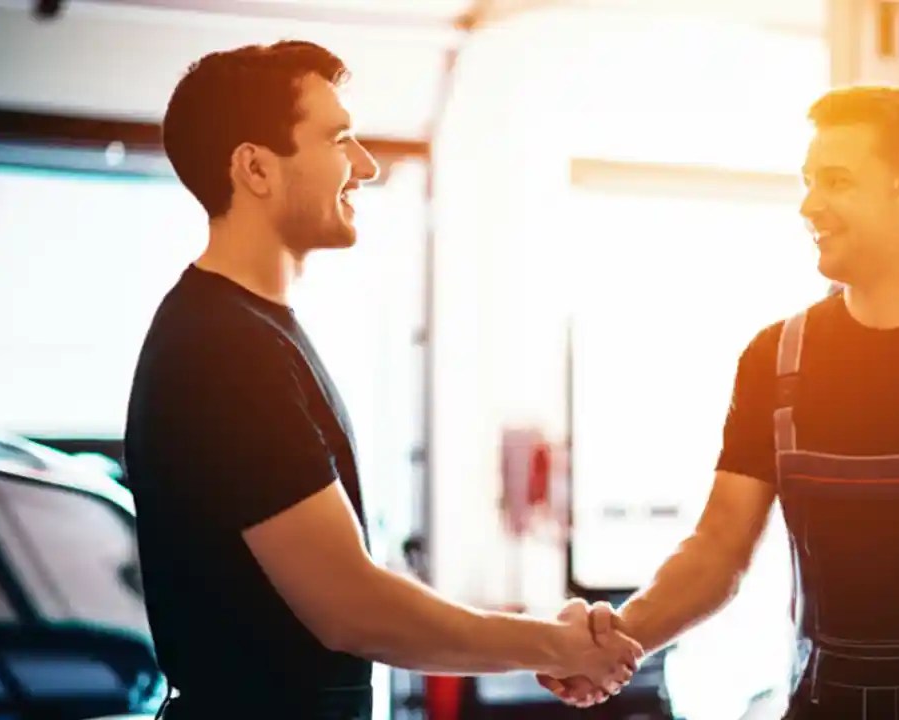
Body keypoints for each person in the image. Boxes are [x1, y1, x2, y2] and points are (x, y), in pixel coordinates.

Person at [539, 86, 899, 718]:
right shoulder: (776, 357)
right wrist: (621, 637)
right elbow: (717, 548)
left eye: (838, 182)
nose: (811, 205)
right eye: (809, 181)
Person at [122, 40, 642, 720]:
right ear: (255, 167)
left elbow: (345, 582)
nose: (364, 165)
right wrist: (550, 644)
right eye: (340, 139)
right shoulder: (223, 349)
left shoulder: (253, 332)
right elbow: (350, 608)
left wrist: (543, 636)